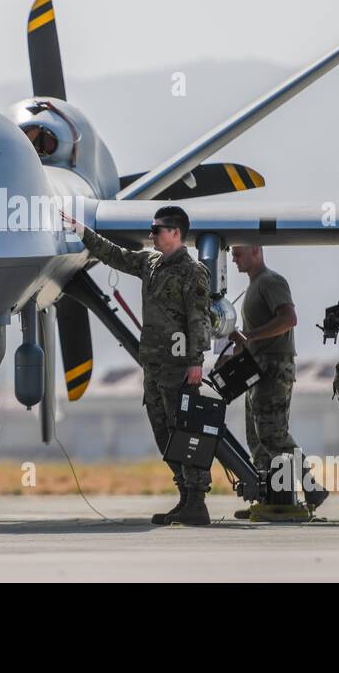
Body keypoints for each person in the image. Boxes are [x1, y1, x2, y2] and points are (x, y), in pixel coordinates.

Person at [63, 206, 214, 525]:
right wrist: (82, 233)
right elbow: (115, 256)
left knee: (185, 432)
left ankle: (197, 502)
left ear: (176, 232)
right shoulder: (150, 262)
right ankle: (185, 495)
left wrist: (196, 362)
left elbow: (199, 319)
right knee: (164, 433)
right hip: (154, 367)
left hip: (179, 368)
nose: (151, 235)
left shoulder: (193, 271)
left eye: (157, 229)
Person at [225, 244, 326, 510]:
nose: (233, 259)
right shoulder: (254, 286)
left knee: (272, 435)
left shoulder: (271, 281)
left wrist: (251, 336)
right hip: (257, 368)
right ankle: (271, 499)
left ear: (256, 251)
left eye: (238, 253)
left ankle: (311, 488)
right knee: (257, 439)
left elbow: (289, 318)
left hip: (273, 367)